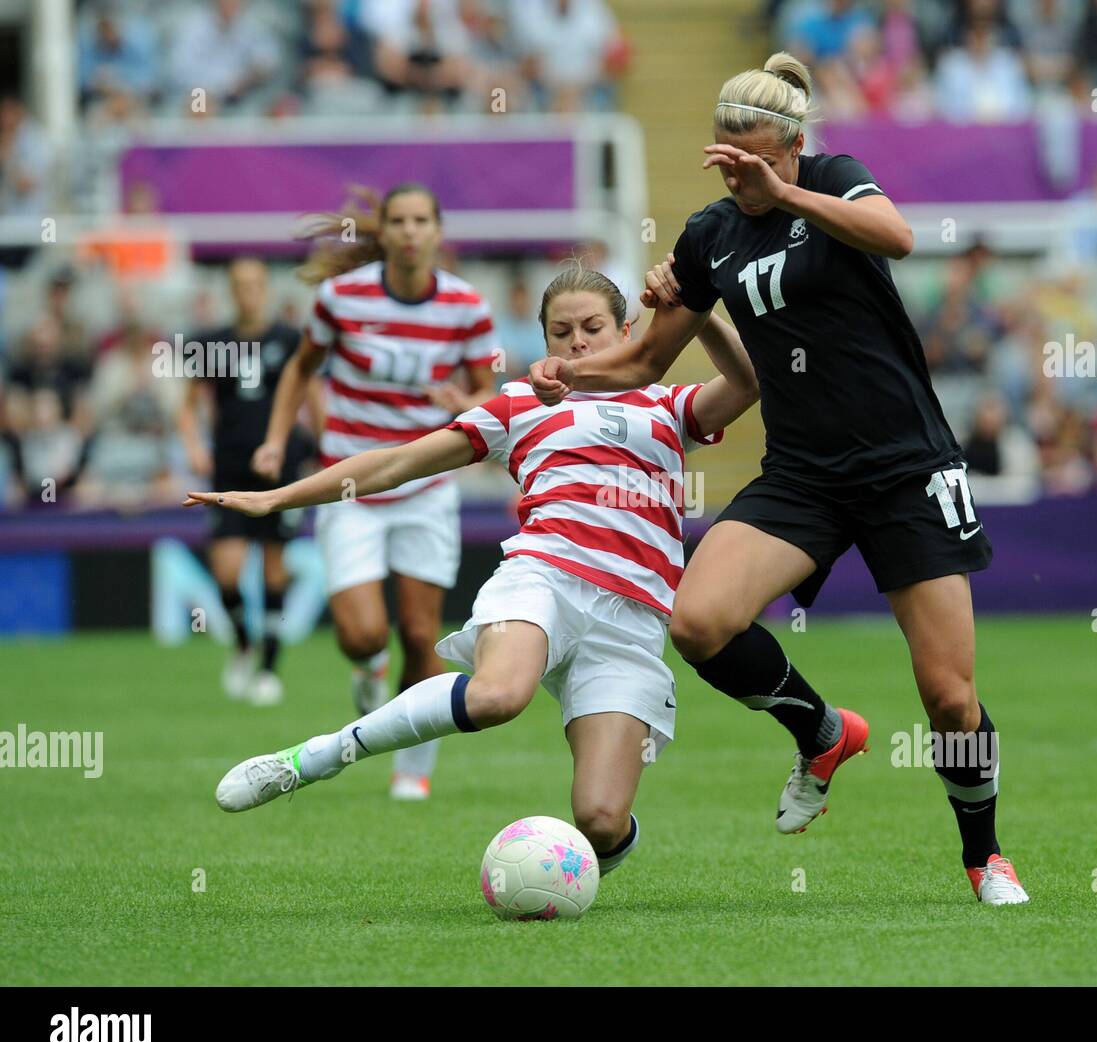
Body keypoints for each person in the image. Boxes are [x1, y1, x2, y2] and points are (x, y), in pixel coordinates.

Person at [530, 52, 1029, 904]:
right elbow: (648, 356)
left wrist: (789, 194)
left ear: (792, 148)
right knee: (698, 622)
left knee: (949, 697)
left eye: (755, 161)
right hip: (802, 473)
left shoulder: (834, 180)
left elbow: (899, 238)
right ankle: (820, 731)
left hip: (905, 464)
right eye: (726, 161)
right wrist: (565, 374)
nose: (741, 178)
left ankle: (983, 856)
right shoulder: (711, 235)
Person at [188, 264, 759, 876]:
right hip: (544, 575)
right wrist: (278, 498)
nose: (578, 343)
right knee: (496, 696)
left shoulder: (669, 406)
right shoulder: (520, 404)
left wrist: (699, 305)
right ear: (544, 343)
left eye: (593, 328)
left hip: (633, 617)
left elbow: (749, 382)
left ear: (629, 329)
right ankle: (321, 756)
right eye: (561, 333)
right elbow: (397, 464)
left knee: (599, 820)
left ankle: (590, 855)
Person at [252, 182, 497, 800]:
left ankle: (412, 770)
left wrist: (462, 403)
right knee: (361, 635)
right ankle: (368, 673)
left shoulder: (467, 306)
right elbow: (301, 369)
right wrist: (278, 440)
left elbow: (490, 394)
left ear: (438, 230)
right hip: (352, 481)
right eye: (400, 221)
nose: (411, 231)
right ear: (382, 232)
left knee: (420, 634)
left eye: (422, 220)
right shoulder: (339, 298)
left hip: (425, 484)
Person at [177, 258, 316, 704]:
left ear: (266, 288)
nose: (248, 292)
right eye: (239, 284)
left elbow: (312, 396)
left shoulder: (291, 340)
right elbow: (188, 404)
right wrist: (195, 446)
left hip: (280, 468)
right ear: (230, 290)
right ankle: (241, 641)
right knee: (226, 571)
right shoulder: (211, 343)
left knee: (275, 570)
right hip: (228, 468)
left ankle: (269, 670)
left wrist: (326, 448)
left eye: (255, 283)